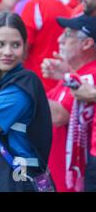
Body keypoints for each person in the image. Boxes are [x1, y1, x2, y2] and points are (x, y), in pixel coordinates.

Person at [0, 11, 53, 192]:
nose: (8, 52)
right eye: (0, 44)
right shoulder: (6, 84)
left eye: (15, 45)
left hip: (17, 183)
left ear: (25, 47)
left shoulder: (22, 85)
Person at [43, 14, 96, 192]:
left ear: (87, 43)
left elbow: (58, 116)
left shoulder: (91, 75)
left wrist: (18, 83)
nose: (59, 39)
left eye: (67, 34)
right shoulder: (72, 76)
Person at [14, 0, 70, 91]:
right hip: (60, 89)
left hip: (35, 89)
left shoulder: (29, 5)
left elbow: (18, 51)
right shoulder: (64, 5)